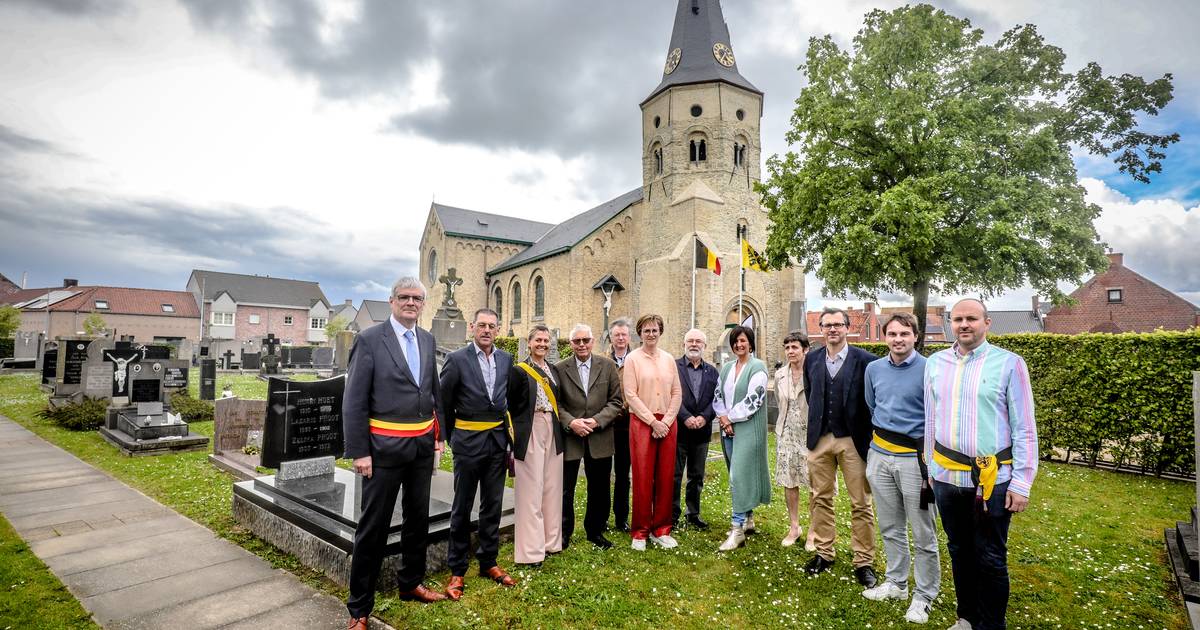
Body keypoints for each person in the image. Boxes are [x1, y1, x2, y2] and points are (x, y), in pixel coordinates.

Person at [925, 299, 1038, 630]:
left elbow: (1025, 428)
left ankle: (991, 625)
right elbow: (931, 421)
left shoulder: (1009, 364)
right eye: (958, 318)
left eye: (971, 318)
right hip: (946, 476)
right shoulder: (935, 364)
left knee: (990, 557)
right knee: (958, 550)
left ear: (986, 323)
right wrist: (931, 468)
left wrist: (1021, 482)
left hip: (994, 479)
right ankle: (966, 618)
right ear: (950, 322)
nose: (964, 324)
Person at [342, 277, 445, 630]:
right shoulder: (370, 340)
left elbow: (433, 393)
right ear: (391, 301)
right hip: (382, 451)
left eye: (417, 298)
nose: (411, 303)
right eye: (405, 297)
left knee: (418, 520)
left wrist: (438, 436)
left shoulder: (428, 339)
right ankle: (359, 609)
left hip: (420, 448)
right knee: (374, 528)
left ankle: (410, 583)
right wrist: (359, 452)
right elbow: (354, 400)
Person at [862, 313, 939, 624]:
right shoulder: (873, 369)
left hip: (914, 460)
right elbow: (872, 405)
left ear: (915, 336)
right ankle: (895, 583)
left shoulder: (930, 369)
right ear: (885, 337)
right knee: (890, 526)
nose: (898, 339)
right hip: (879, 455)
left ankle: (924, 595)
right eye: (892, 334)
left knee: (923, 532)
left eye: (904, 334)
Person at [437, 308, 516, 601]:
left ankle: (488, 562)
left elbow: (509, 398)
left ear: (498, 330)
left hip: (496, 442)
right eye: (481, 325)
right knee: (462, 505)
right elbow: (443, 403)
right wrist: (447, 438)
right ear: (472, 327)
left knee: (492, 504)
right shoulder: (456, 360)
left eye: (492, 326)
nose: (486, 330)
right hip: (468, 443)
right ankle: (457, 569)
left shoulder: (506, 359)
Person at [804, 307, 878, 588]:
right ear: (821, 329)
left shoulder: (866, 361)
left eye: (838, 325)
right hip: (820, 438)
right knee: (820, 498)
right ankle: (824, 552)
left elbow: (871, 401)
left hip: (853, 440)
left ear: (847, 328)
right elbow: (812, 395)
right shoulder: (812, 359)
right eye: (827, 325)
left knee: (861, 502)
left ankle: (864, 561)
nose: (832, 329)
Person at [553, 324, 624, 549]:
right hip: (571, 436)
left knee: (600, 487)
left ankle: (595, 530)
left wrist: (596, 421)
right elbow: (557, 403)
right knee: (566, 488)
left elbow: (616, 401)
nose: (582, 345)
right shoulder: (559, 368)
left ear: (592, 341)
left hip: (600, 435)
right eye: (577, 341)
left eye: (586, 340)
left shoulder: (608, 366)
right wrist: (571, 423)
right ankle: (563, 532)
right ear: (571, 343)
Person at [622, 314, 682, 550]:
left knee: (666, 476)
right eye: (646, 330)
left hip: (667, 423)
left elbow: (677, 392)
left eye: (655, 330)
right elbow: (630, 395)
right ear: (640, 333)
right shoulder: (632, 359)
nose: (651, 334)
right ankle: (640, 531)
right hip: (642, 423)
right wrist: (652, 422)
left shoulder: (668, 359)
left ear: (660, 332)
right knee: (643, 477)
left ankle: (661, 529)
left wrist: (666, 421)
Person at [507, 325, 566, 565]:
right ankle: (531, 551)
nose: (542, 344)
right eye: (538, 340)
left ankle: (551, 542)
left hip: (553, 428)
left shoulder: (552, 369)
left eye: (546, 340)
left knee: (552, 487)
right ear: (529, 343)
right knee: (531, 490)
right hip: (529, 428)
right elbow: (510, 405)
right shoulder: (519, 371)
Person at [713, 325, 771, 551]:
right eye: (735, 341)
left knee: (739, 474)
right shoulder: (727, 367)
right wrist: (723, 418)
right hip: (728, 428)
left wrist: (730, 419)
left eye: (743, 340)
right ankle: (748, 519)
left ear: (750, 343)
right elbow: (718, 395)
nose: (739, 344)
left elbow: (754, 399)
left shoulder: (758, 367)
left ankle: (736, 530)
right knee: (735, 472)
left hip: (747, 427)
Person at [672, 328, 719, 531]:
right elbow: (670, 396)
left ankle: (693, 514)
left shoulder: (712, 372)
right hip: (679, 430)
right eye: (690, 340)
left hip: (702, 431)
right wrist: (686, 417)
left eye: (698, 341)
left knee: (696, 475)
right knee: (674, 475)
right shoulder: (673, 367)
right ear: (684, 344)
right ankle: (672, 514)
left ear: (704, 346)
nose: (694, 344)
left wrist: (704, 417)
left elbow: (716, 399)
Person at [773, 330, 814, 549]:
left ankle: (814, 531)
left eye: (795, 347)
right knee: (790, 480)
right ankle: (794, 526)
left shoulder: (814, 371)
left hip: (810, 433)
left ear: (805, 349)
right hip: (787, 432)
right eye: (787, 347)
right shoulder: (780, 375)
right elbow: (779, 403)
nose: (790, 351)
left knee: (814, 482)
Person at [608, 319, 633, 532]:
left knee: (623, 475)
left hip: (628, 426)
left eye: (624, 335)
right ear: (611, 338)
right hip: (607, 426)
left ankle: (621, 518)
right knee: (603, 474)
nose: (621, 338)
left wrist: (624, 407)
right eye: (617, 335)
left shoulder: (636, 360)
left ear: (629, 337)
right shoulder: (603, 360)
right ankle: (602, 516)